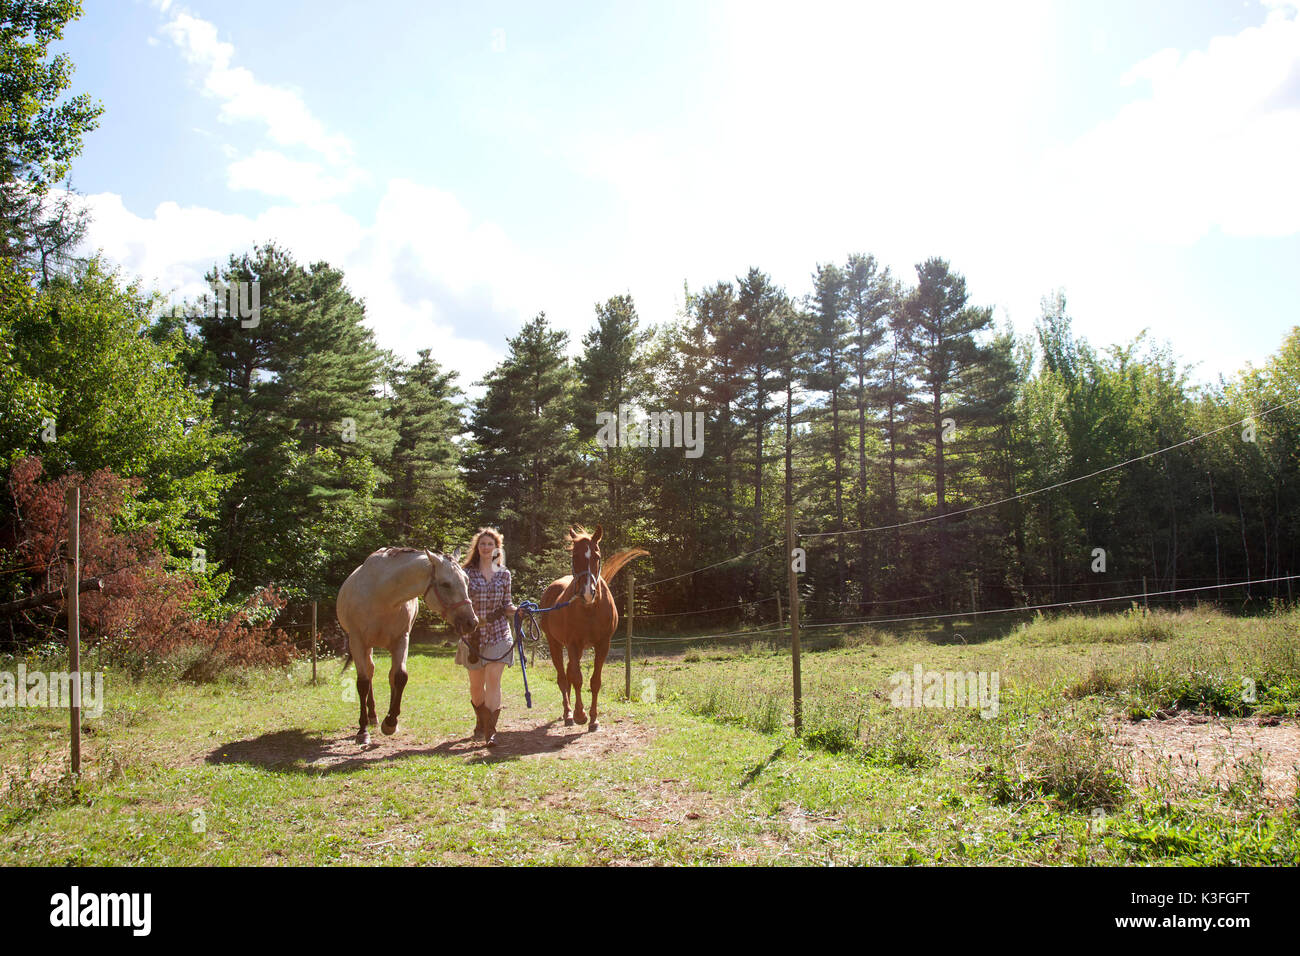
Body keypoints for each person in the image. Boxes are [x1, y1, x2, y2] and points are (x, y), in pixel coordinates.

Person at [455, 527, 517, 746]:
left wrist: (518, 611)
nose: (486, 547)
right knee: (475, 685)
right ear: (477, 547)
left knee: (493, 679)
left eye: (490, 544)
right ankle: (481, 720)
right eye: (482, 544)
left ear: (496, 547)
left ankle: (490, 730)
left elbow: (507, 604)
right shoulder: (466, 573)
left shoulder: (504, 574)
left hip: (499, 632)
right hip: (473, 635)